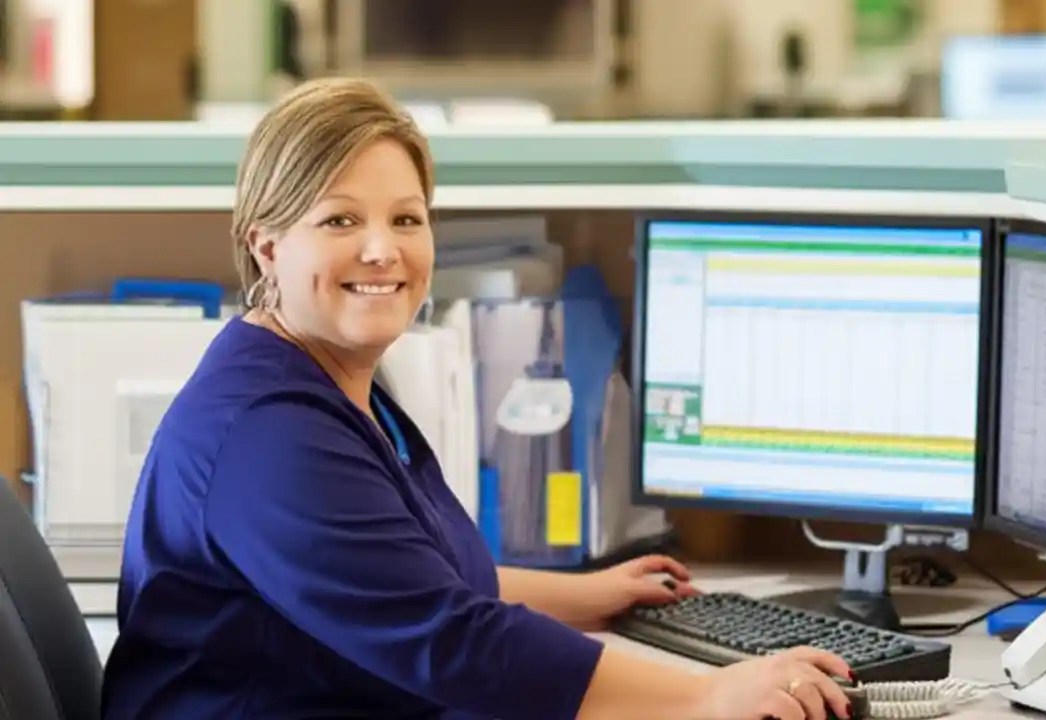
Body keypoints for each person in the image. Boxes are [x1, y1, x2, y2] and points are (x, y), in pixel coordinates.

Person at [100, 77, 853, 720]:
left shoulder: (328, 379)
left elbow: (410, 575)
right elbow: (449, 640)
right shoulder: (269, 434)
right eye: (339, 220)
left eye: (406, 217)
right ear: (267, 245)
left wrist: (588, 594)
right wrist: (707, 694)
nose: (382, 249)